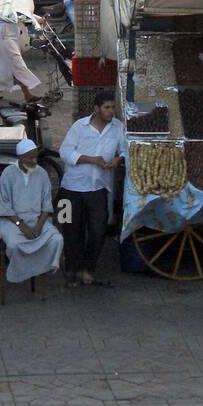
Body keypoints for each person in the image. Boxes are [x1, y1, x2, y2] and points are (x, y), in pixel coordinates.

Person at [58, 89, 125, 288]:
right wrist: (91, 160)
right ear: (96, 109)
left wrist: (118, 159)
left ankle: (88, 268)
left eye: (113, 107)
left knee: (98, 230)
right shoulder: (80, 127)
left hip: (98, 188)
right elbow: (65, 152)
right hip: (71, 188)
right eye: (107, 107)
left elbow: (125, 151)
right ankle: (71, 269)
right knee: (71, 229)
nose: (111, 111)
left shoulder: (117, 128)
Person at [0, 138, 63, 284]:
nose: (35, 161)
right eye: (30, 157)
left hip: (38, 220)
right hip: (11, 221)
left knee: (56, 239)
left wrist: (38, 227)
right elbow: (3, 205)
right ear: (20, 158)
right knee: (14, 245)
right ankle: (22, 271)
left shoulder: (42, 173)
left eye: (36, 157)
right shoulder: (8, 173)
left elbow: (46, 205)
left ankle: (37, 268)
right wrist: (22, 225)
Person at [0, 18, 42, 104]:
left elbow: (22, 13)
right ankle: (27, 95)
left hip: (9, 36)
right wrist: (35, 20)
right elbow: (19, 13)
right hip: (6, 37)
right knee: (17, 65)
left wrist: (35, 19)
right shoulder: (9, 7)